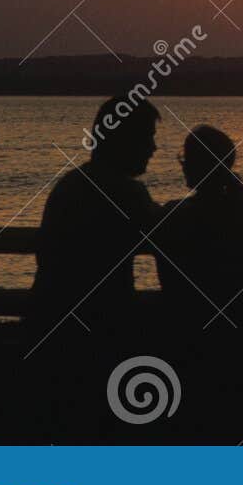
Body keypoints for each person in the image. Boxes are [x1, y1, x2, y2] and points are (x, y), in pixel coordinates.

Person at [29, 94, 160, 344]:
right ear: (126, 141)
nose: (153, 148)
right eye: (148, 137)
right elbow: (165, 230)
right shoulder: (127, 193)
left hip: (46, 323)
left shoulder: (69, 185)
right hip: (102, 329)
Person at [154, 125, 243, 335]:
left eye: (186, 159)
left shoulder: (173, 215)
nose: (183, 165)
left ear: (193, 166)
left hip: (186, 329)